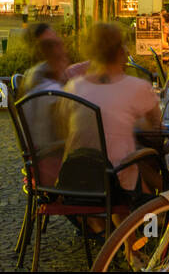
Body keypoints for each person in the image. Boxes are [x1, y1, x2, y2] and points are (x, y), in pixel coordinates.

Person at [64, 22, 163, 195]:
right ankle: (161, 211)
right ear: (121, 51)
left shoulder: (73, 86)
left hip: (75, 178)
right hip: (117, 181)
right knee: (141, 159)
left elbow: (64, 126)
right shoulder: (136, 86)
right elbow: (156, 126)